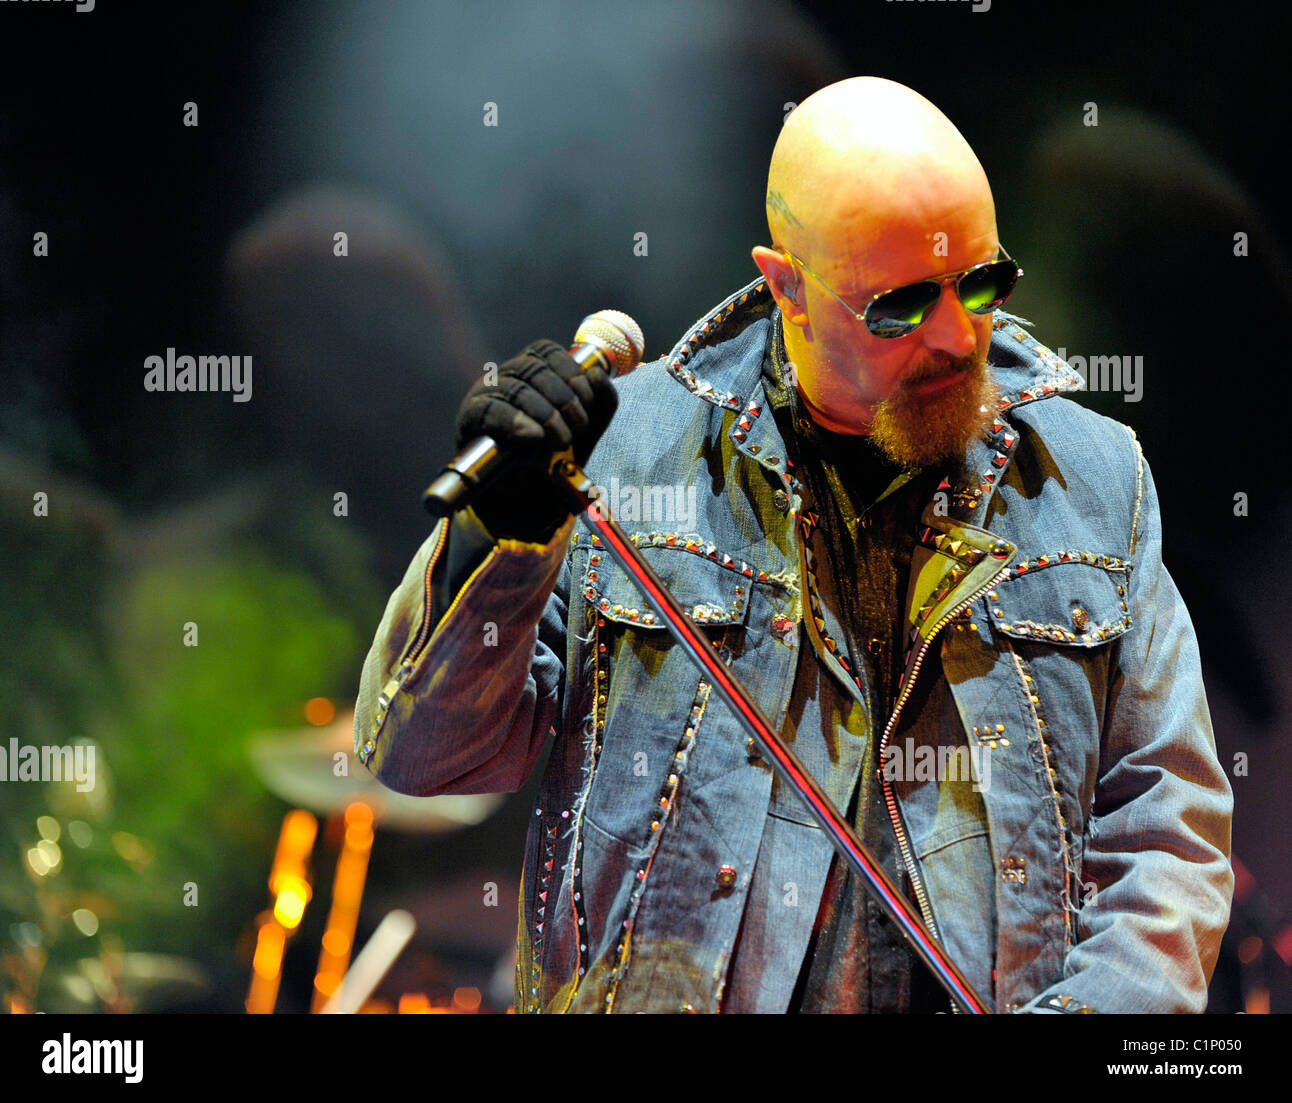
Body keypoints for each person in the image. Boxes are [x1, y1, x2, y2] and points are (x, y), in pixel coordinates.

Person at [353, 77, 1233, 1013]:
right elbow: (423, 757)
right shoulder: (628, 453)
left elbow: (1167, 834)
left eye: (982, 282)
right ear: (787, 287)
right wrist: (497, 536)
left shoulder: (1092, 478)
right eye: (898, 307)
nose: (956, 332)